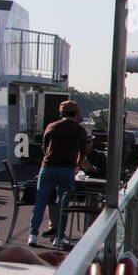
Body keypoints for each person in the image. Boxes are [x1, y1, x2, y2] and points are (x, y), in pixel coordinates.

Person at [29, 99, 89, 248]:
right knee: (63, 204)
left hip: (48, 168)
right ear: (76, 114)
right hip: (67, 170)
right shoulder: (80, 130)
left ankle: (33, 235)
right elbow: (83, 152)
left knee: (40, 202)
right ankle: (58, 237)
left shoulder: (52, 126)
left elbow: (45, 147)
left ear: (61, 113)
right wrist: (77, 165)